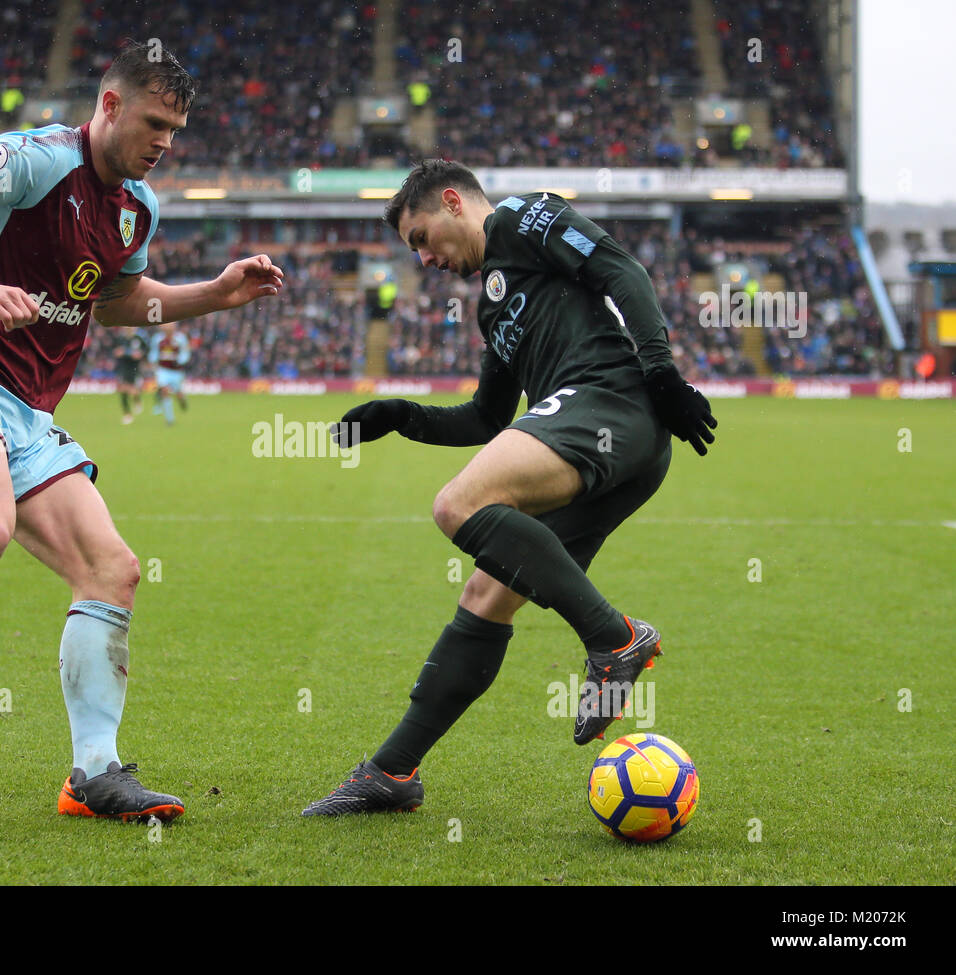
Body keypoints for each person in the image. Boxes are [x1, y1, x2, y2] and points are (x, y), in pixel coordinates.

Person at [0, 41, 283, 822]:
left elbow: (116, 300)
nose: (165, 142)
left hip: (30, 412)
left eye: (176, 128)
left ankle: (94, 774)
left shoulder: (136, 208)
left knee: (113, 567)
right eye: (154, 122)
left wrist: (214, 294)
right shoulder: (38, 159)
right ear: (109, 106)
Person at [303, 160, 715, 816]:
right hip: (606, 438)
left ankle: (614, 637)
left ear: (450, 202)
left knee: (456, 504)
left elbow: (623, 271)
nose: (425, 258)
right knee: (486, 592)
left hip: (613, 402)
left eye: (421, 238)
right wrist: (398, 415)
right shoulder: (494, 308)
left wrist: (661, 373)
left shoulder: (524, 217)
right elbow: (487, 419)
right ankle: (392, 771)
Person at [149, 321, 190, 425]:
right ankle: (170, 419)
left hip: (176, 371)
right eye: (166, 326)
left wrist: (180, 360)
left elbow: (185, 353)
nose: (168, 328)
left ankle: (182, 400)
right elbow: (153, 352)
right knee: (164, 391)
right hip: (163, 370)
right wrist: (153, 360)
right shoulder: (157, 338)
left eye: (170, 326)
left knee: (178, 393)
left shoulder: (180, 338)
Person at [113, 327, 147, 423]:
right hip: (123, 367)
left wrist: (128, 353)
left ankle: (137, 400)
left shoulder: (138, 339)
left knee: (132, 389)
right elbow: (116, 351)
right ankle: (127, 414)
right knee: (123, 390)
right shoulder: (121, 339)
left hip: (135, 368)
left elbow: (143, 352)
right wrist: (126, 353)